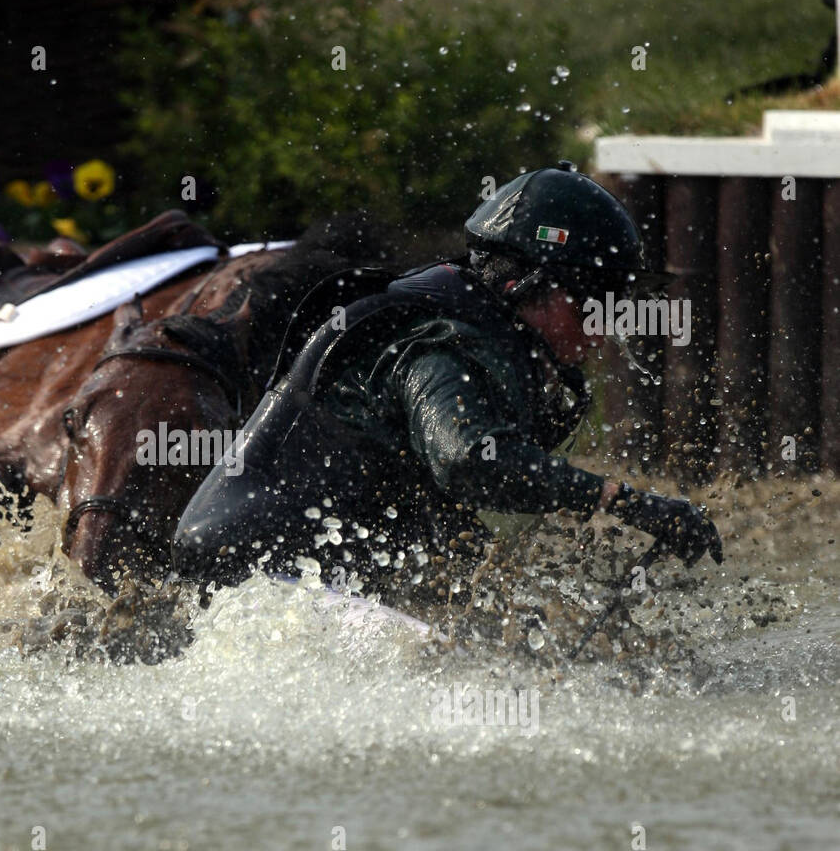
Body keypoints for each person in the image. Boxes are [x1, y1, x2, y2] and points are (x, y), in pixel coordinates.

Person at [172, 161, 723, 602]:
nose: (604, 329)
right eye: (592, 305)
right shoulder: (439, 344)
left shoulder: (483, 328)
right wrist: (621, 500)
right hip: (258, 576)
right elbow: (470, 461)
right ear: (525, 284)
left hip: (302, 575)